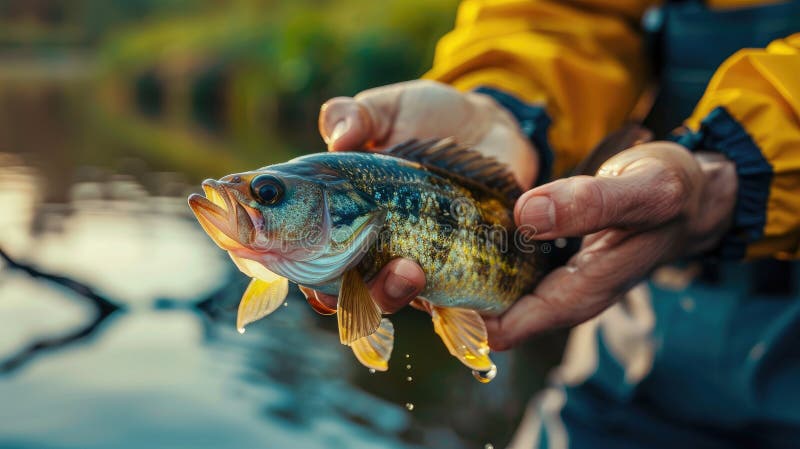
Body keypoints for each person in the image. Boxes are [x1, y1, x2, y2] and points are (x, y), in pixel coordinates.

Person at [303, 1, 800, 447]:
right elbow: (567, 10)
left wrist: (732, 172)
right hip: (636, 316)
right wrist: (508, 104)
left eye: (266, 194)